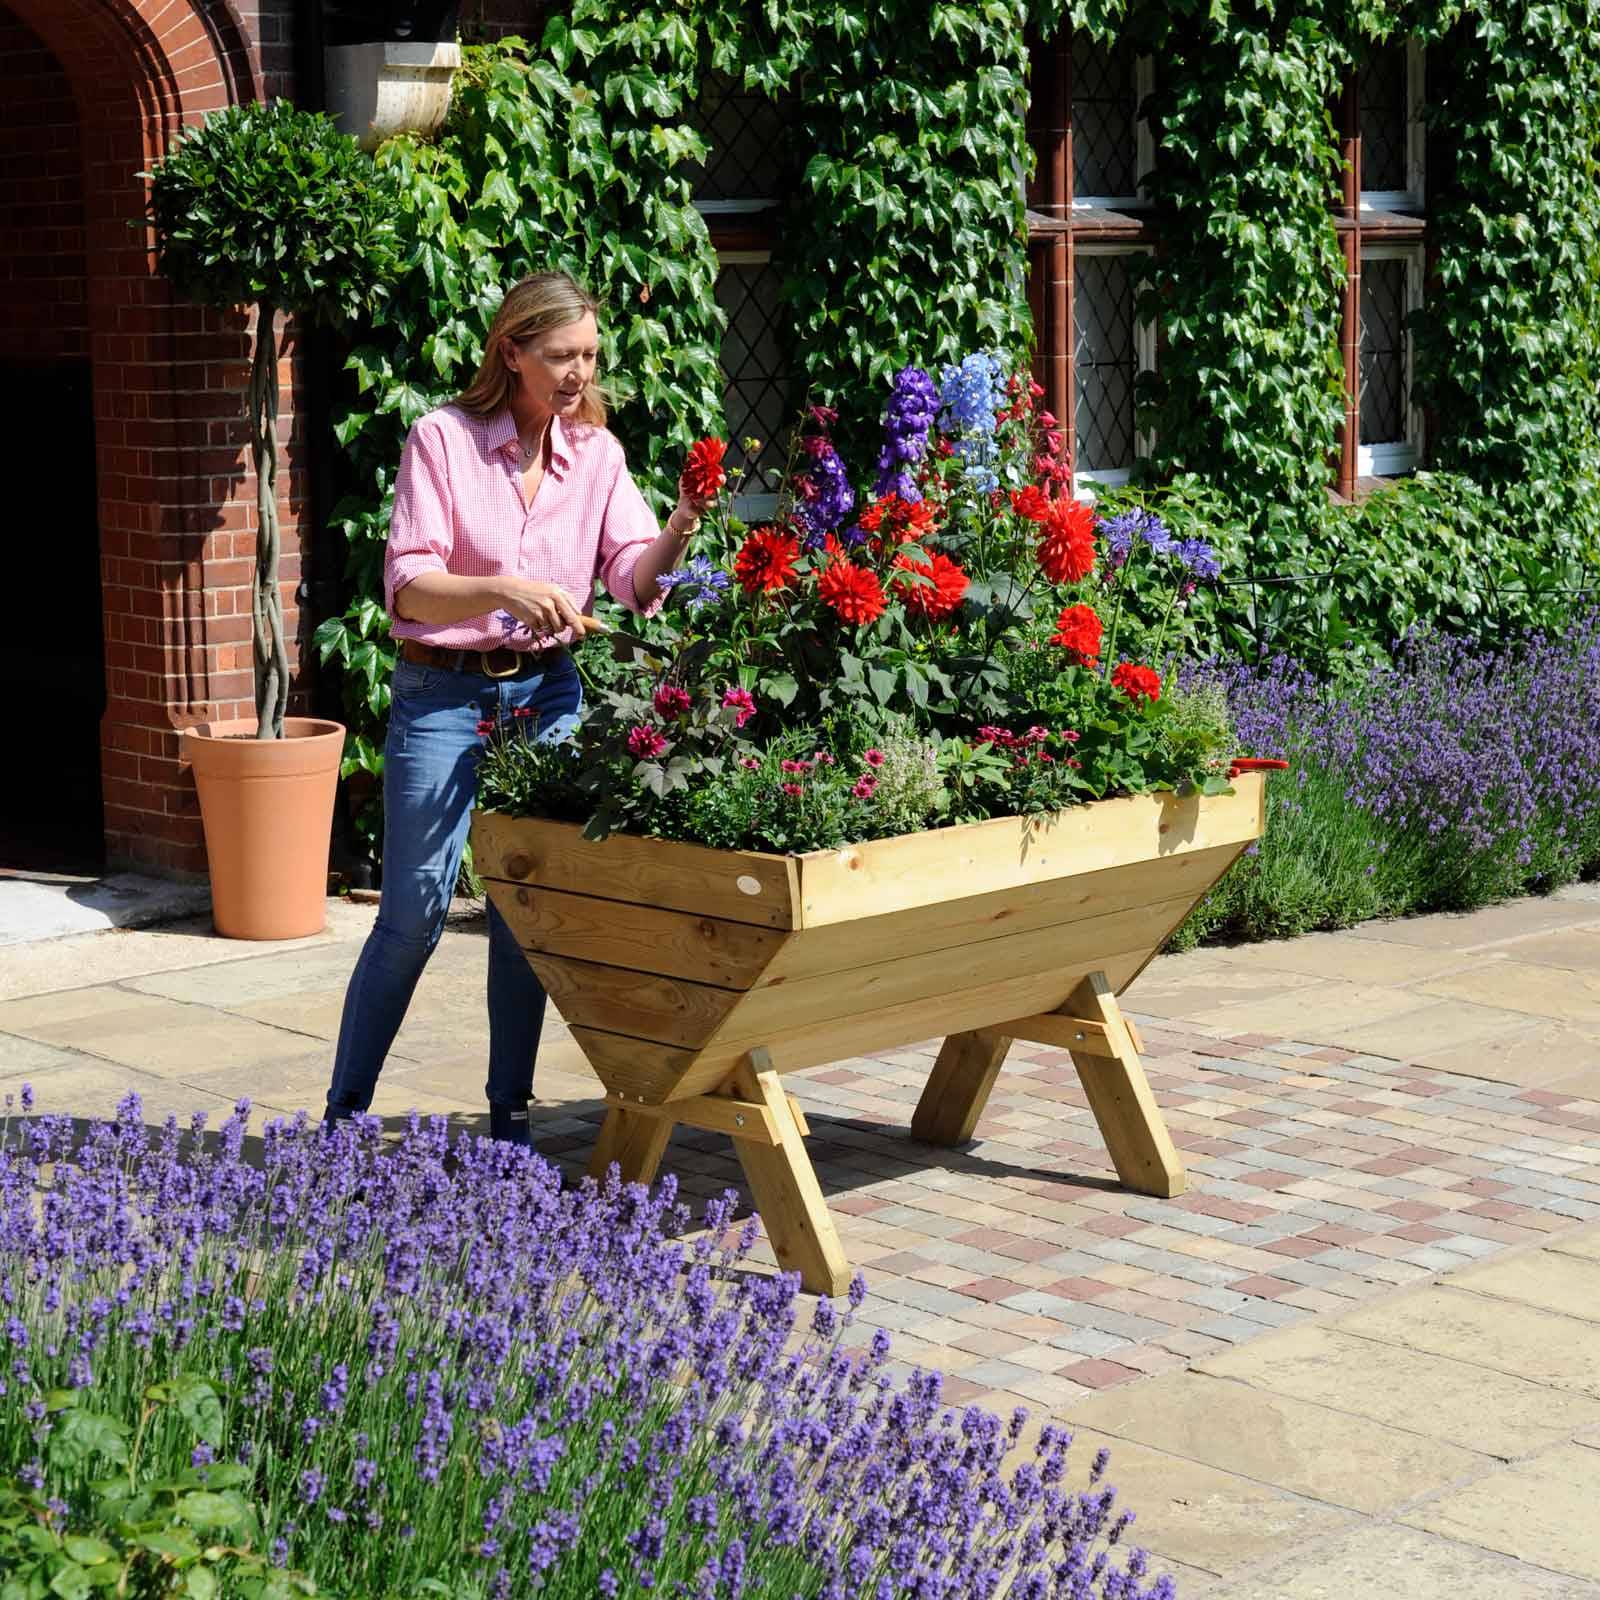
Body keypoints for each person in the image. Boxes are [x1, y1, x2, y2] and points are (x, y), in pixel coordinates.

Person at [323, 270, 709, 1143]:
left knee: (524, 912)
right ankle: (342, 1120)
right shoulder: (443, 440)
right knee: (414, 912)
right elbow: (411, 587)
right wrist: (505, 590)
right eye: (563, 355)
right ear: (513, 350)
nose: (581, 372)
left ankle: (509, 1120)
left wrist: (682, 519)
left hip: (549, 695)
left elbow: (633, 579)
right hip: (442, 694)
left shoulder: (598, 458)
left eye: (591, 356)